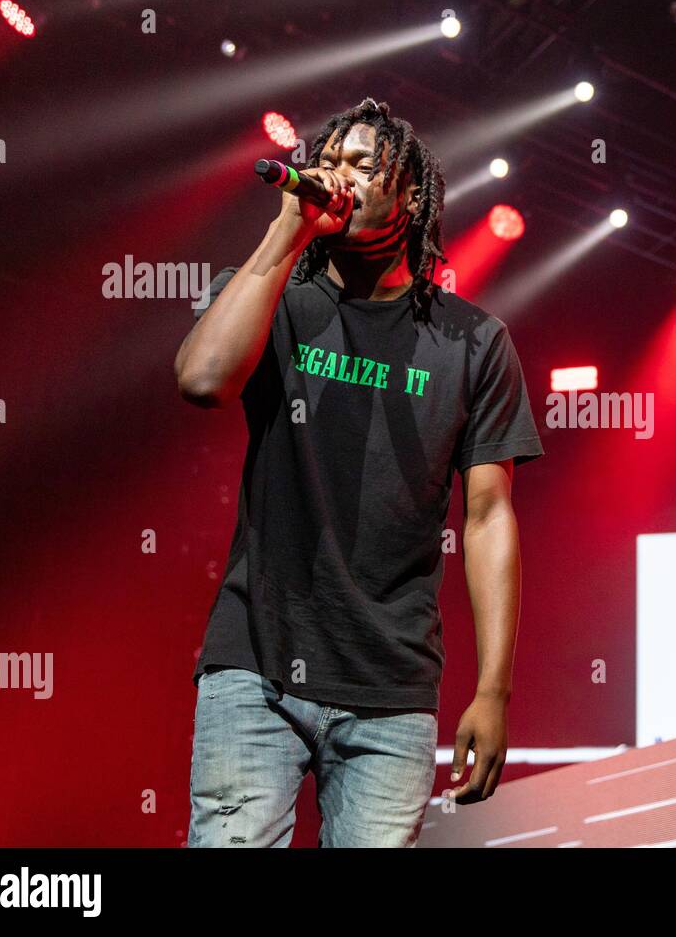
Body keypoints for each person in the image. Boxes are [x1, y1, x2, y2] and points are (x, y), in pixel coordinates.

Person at [175, 97, 543, 847]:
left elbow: (488, 518)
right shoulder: (281, 300)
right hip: (257, 662)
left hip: (390, 685)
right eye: (329, 160)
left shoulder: (471, 341)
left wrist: (494, 691)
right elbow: (202, 379)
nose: (337, 175)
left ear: (408, 196)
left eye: (361, 164)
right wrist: (288, 227)